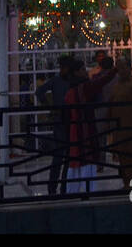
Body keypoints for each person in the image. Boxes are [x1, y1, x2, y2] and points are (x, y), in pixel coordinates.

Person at [106, 55, 132, 189]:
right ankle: (126, 183)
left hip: (131, 128)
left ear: (129, 68)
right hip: (119, 129)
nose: (121, 71)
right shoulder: (117, 86)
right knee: (122, 157)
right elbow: (111, 105)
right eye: (119, 68)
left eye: (123, 67)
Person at [34, 57, 73, 195]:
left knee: (64, 156)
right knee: (61, 156)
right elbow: (39, 92)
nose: (62, 70)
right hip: (63, 121)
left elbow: (39, 92)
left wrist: (49, 106)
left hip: (66, 121)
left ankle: (60, 187)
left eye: (64, 67)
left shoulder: (61, 81)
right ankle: (56, 187)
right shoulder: (61, 81)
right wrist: (49, 106)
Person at [63, 59, 99, 193]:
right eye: (83, 69)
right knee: (86, 160)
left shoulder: (71, 89)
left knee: (75, 163)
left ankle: (72, 192)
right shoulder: (83, 88)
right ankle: (89, 191)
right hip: (84, 129)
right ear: (77, 72)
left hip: (74, 129)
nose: (86, 72)